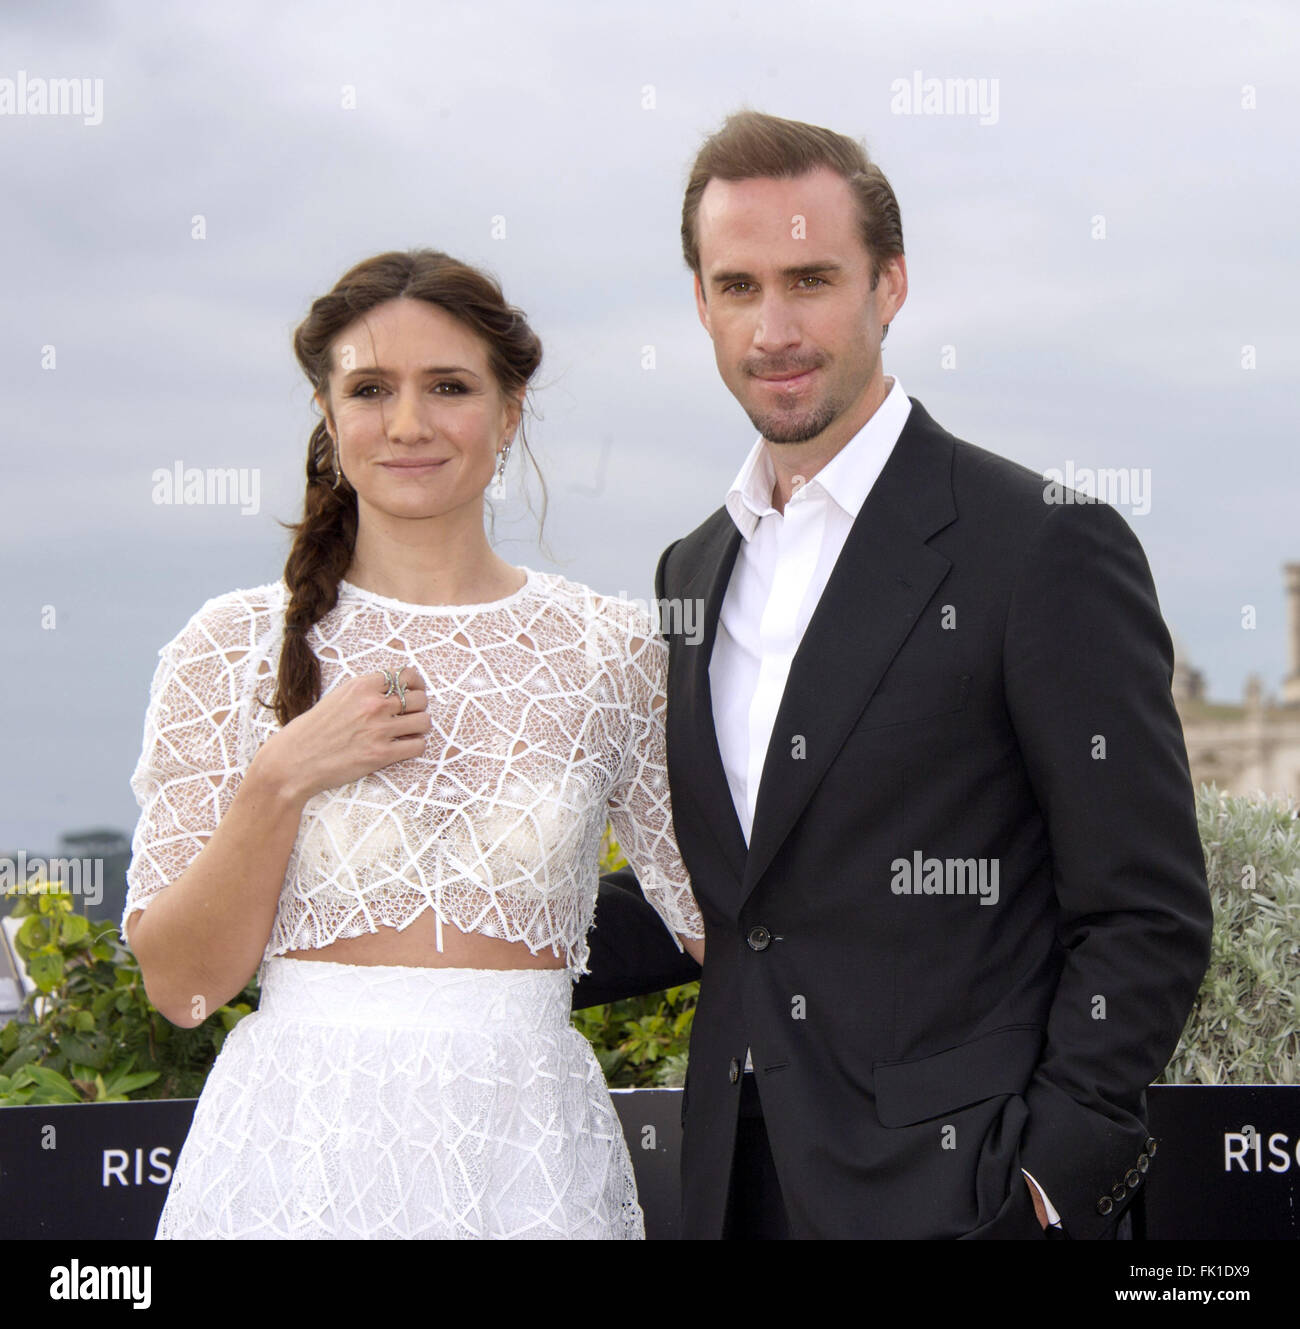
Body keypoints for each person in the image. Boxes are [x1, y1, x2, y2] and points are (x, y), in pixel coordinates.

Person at [574, 110, 1214, 1239]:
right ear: (700, 304)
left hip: (962, 1193)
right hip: (734, 1186)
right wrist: (387, 929)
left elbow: (1145, 911)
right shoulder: (692, 565)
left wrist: (1049, 1185)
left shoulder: (1041, 544)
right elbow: (729, 894)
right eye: (737, 286)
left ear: (890, 285)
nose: (774, 328)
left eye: (811, 278)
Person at [120, 248, 705, 1239]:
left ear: (509, 410)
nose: (407, 424)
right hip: (291, 1158)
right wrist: (281, 778)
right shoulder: (227, 649)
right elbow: (181, 990)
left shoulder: (612, 651)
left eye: (448, 387)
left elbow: (719, 921)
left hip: (526, 1159)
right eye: (370, 389)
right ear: (325, 409)